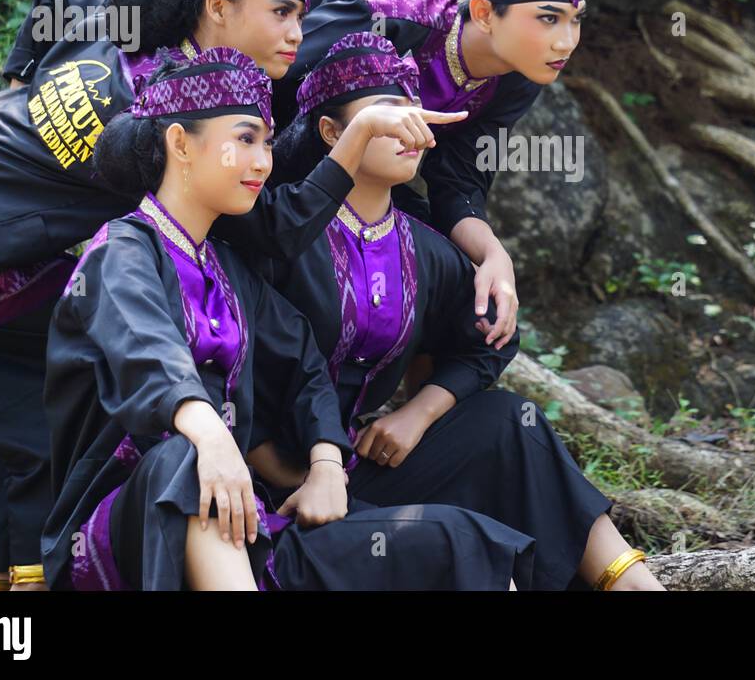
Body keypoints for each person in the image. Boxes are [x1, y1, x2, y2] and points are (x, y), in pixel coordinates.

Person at [0, 0, 464, 590]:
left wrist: (20, 85)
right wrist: (355, 140)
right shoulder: (177, 104)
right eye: (280, 11)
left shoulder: (134, 36)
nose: (296, 34)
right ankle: (45, 563)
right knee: (69, 376)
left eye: (301, 14)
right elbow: (270, 232)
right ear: (217, 6)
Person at [43, 47, 535, 591]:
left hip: (244, 520)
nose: (262, 162)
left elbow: (304, 364)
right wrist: (211, 437)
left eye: (268, 143)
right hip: (125, 536)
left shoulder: (231, 269)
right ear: (180, 143)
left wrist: (326, 464)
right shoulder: (120, 253)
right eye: (245, 139)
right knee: (180, 456)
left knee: (459, 542)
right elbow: (146, 354)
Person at [250, 32, 663, 591]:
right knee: (457, 537)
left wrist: (416, 413)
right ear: (332, 133)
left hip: (356, 468)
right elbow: (225, 370)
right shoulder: (278, 236)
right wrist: (302, 470)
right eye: (385, 115)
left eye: (413, 110)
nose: (409, 127)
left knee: (508, 423)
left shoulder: (427, 250)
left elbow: (487, 340)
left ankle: (631, 584)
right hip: (272, 488)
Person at [275, 0, 589, 353]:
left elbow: (457, 182)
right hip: (269, 179)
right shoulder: (383, 15)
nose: (566, 41)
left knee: (473, 295)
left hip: (365, 198)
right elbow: (259, 78)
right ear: (483, 12)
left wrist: (494, 254)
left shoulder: (517, 77)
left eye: (576, 18)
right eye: (548, 18)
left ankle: (413, 412)